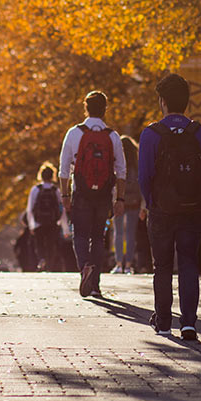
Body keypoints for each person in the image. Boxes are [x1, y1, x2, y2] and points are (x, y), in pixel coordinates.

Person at [138, 73, 201, 341]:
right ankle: (189, 324)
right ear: (187, 102)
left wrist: (151, 204)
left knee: (161, 266)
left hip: (161, 209)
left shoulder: (151, 135)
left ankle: (162, 322)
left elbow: (144, 175)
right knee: (188, 263)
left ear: (162, 101)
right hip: (192, 209)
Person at [59, 90, 126, 298]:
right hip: (104, 195)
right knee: (98, 237)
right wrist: (119, 198)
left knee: (80, 234)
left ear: (85, 107)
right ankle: (95, 284)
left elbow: (63, 168)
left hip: (81, 193)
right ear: (105, 109)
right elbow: (121, 170)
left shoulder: (74, 133)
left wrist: (65, 196)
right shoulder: (112, 136)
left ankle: (84, 267)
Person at [112, 136, 142, 273]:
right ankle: (128, 265)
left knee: (118, 233)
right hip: (134, 203)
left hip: (119, 201)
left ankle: (118, 264)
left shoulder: (117, 166)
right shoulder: (137, 166)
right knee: (131, 234)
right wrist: (143, 206)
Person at [25, 161, 63, 271]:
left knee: (39, 244)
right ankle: (49, 265)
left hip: (38, 223)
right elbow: (61, 208)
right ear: (53, 176)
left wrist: (31, 225)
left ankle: (41, 260)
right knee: (51, 245)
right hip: (52, 223)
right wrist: (62, 224)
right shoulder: (56, 190)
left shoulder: (36, 189)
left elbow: (30, 208)